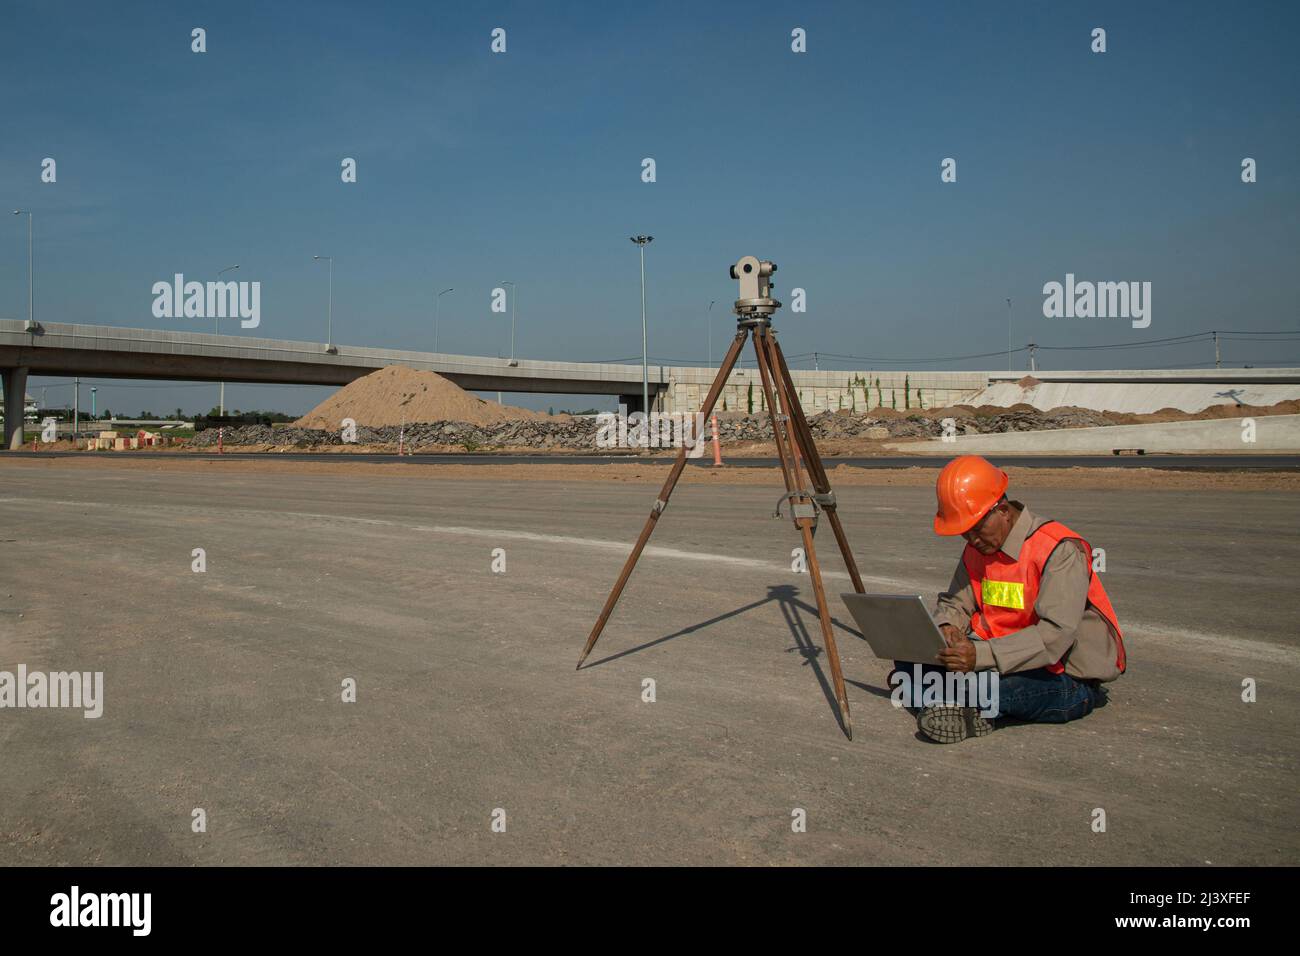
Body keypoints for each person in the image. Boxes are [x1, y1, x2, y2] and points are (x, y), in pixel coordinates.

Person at [905, 455, 1127, 743]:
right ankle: (956, 705)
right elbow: (956, 602)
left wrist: (979, 657)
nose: (972, 540)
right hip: (1002, 660)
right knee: (909, 662)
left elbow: (1054, 637)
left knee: (986, 688)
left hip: (1061, 675)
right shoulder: (978, 549)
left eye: (976, 529)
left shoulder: (1058, 550)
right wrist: (947, 628)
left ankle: (950, 703)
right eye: (964, 533)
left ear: (1003, 510)